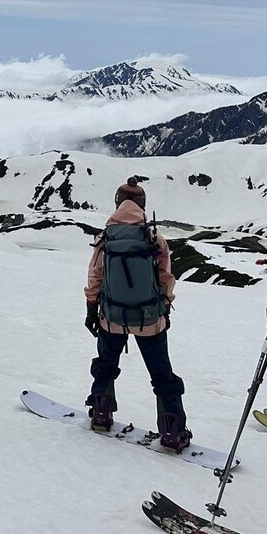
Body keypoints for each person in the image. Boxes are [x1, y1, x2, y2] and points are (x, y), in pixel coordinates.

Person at [83, 177, 188, 449]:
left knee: (106, 365)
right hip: (149, 320)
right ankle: (172, 431)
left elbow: (96, 276)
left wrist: (91, 308)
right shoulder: (155, 238)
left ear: (117, 204)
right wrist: (165, 306)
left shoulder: (105, 238)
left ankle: (101, 415)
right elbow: (165, 278)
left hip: (111, 317)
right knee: (162, 375)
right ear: (142, 206)